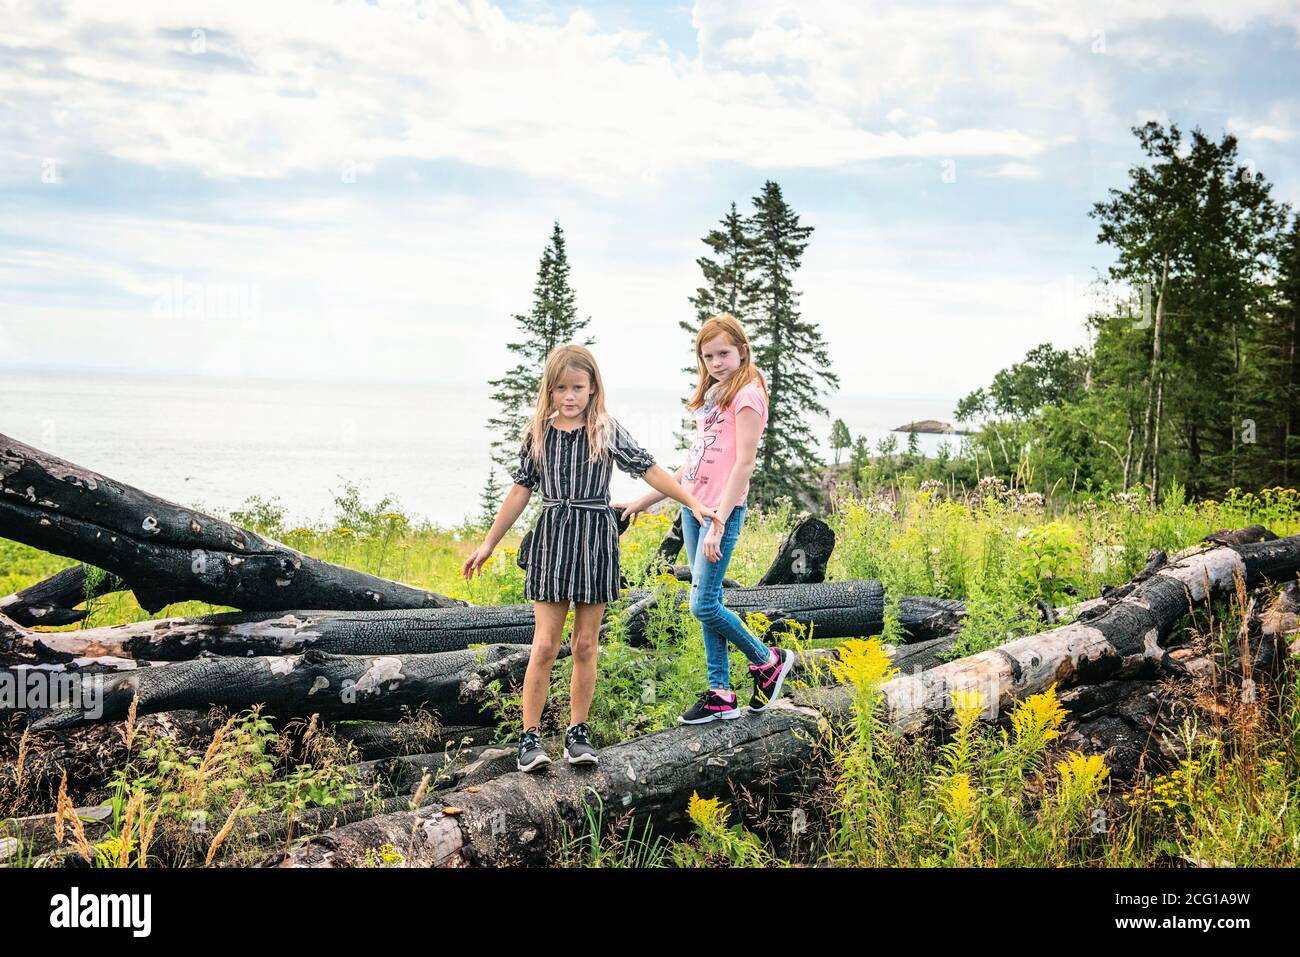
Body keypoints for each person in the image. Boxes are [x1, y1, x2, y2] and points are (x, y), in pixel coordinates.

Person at [463, 343, 721, 771]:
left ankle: (577, 733)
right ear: (550, 390)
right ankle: (529, 738)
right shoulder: (538, 433)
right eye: (561, 388)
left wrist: (691, 502)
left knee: (585, 644)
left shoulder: (606, 429)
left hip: (595, 540)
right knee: (545, 644)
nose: (569, 396)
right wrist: (489, 543)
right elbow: (520, 491)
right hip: (553, 539)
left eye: (578, 387)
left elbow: (649, 469)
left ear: (592, 388)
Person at [616, 314, 795, 723]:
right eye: (707, 356)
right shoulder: (714, 397)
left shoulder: (748, 396)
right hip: (694, 508)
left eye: (723, 353)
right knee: (708, 602)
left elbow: (744, 465)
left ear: (742, 351)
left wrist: (719, 522)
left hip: (720, 513)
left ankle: (767, 660)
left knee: (703, 605)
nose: (715, 362)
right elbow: (691, 467)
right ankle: (721, 693)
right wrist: (642, 502)